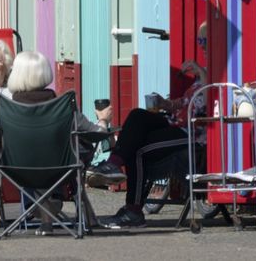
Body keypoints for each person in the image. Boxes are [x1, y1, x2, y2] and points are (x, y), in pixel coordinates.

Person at [87, 22, 208, 228]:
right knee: (137, 115)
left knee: (139, 151)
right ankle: (114, 164)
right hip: (175, 121)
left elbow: (210, 96)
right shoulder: (205, 70)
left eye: (204, 40)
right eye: (199, 41)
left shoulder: (219, 72)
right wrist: (165, 104)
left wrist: (201, 73)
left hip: (191, 132)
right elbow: (186, 104)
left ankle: (133, 210)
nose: (202, 45)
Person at [5, 51, 111, 235]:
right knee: (65, 154)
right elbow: (96, 133)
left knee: (34, 158)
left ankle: (45, 216)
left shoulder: (5, 108)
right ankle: (57, 208)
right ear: (45, 74)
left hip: (17, 170)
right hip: (62, 169)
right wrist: (103, 120)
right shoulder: (61, 105)